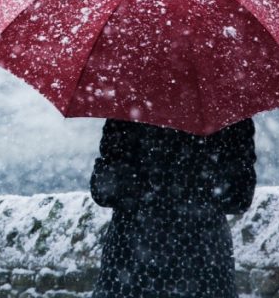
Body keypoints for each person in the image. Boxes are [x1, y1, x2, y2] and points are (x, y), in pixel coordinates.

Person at [89, 117, 256, 298]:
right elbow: (239, 198)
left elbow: (104, 192)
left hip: (132, 264)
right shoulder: (227, 110)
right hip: (205, 263)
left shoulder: (128, 108)